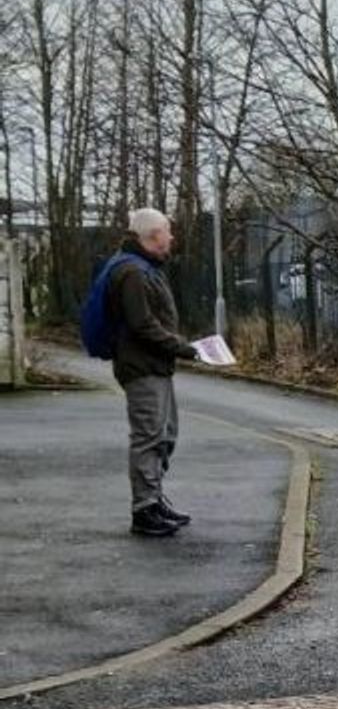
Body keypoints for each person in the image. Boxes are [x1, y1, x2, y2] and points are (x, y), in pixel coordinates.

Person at [111, 209, 201, 537]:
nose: (172, 237)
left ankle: (153, 499)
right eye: (167, 231)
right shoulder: (133, 272)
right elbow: (143, 325)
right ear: (151, 235)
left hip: (156, 365)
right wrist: (185, 348)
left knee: (165, 434)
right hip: (142, 366)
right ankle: (144, 509)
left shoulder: (146, 268)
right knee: (149, 437)